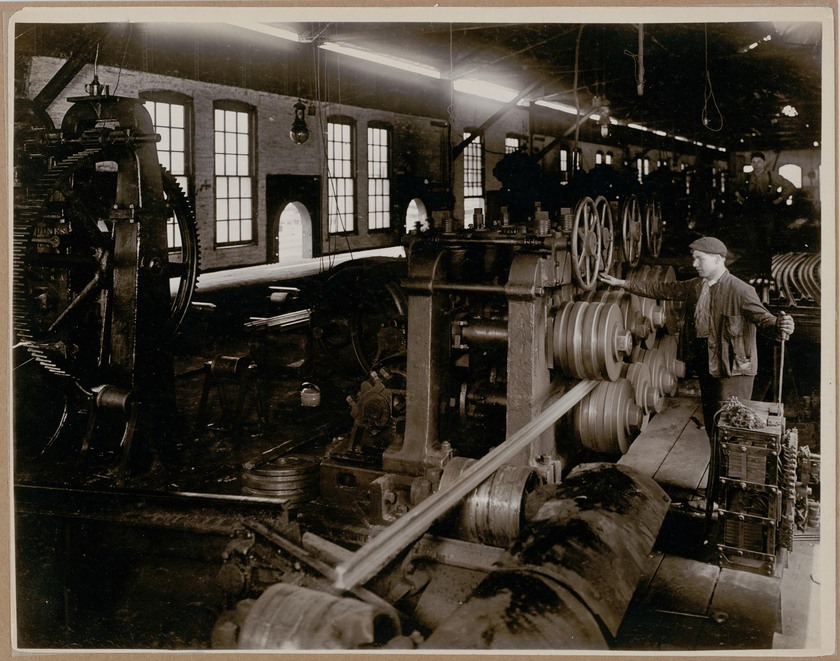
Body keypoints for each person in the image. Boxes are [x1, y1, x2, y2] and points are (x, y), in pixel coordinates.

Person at [599, 236, 795, 443]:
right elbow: (661, 289)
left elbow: (765, 321)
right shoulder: (696, 286)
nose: (694, 264)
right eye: (694, 259)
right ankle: (717, 469)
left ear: (718, 260)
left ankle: (731, 472)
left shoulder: (740, 290)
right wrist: (622, 283)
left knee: (732, 425)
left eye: (699, 259)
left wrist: (780, 325)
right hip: (707, 363)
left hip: (733, 370)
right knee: (713, 422)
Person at [732, 151, 797, 287]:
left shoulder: (772, 176)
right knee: (753, 243)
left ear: (764, 163)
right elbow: (732, 184)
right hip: (751, 214)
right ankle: (755, 273)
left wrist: (780, 199)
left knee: (767, 243)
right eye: (753, 162)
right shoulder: (745, 177)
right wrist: (738, 196)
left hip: (767, 214)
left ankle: (766, 274)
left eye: (759, 162)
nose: (756, 165)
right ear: (751, 163)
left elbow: (790, 186)